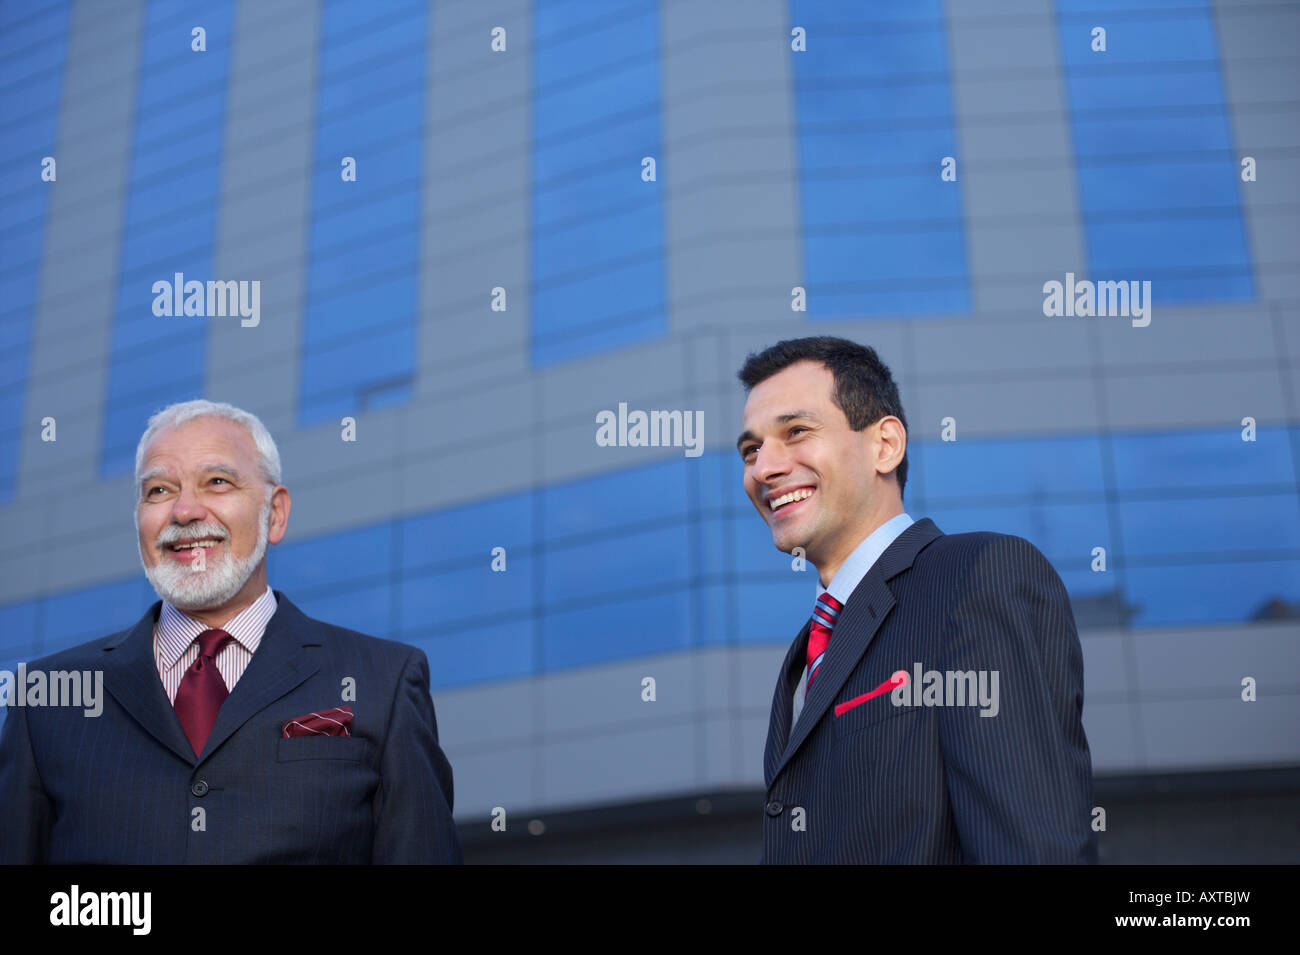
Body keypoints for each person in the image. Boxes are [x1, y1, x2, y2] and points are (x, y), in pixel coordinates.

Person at [0, 400, 461, 863]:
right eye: (159, 490)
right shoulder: (46, 701)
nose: (184, 511)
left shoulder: (385, 682)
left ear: (275, 514)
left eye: (217, 482)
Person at [736, 337, 1096, 863]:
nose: (764, 468)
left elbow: (1032, 849)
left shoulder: (976, 579)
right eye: (751, 449)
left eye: (796, 432)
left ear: (885, 445)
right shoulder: (807, 653)